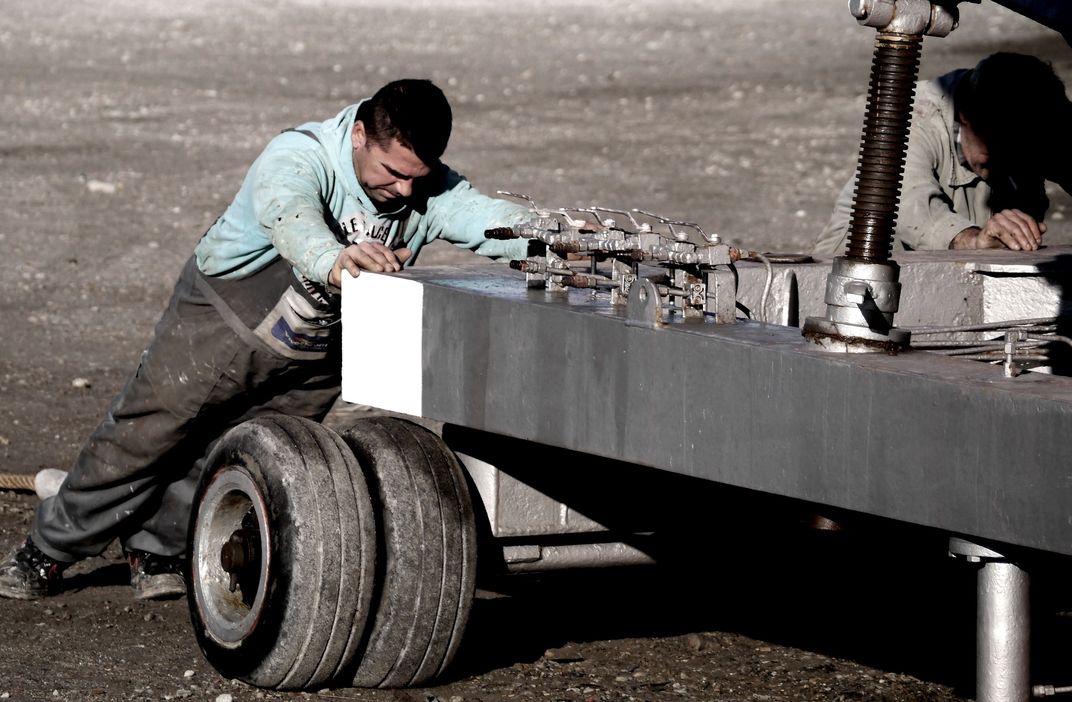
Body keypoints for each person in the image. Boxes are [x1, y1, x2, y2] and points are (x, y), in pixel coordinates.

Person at [0, 79, 533, 600]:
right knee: (147, 434)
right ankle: (49, 550)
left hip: (316, 346)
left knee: (240, 448)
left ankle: (156, 547)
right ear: (359, 136)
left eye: (419, 178)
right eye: (394, 174)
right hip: (224, 317)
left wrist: (561, 242)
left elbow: (486, 219)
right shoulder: (299, 155)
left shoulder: (422, 185)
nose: (407, 191)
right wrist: (334, 261)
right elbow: (291, 214)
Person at [814, 52, 1072, 255]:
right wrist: (975, 241)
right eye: (1000, 148)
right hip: (864, 268)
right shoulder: (914, 114)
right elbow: (911, 207)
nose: (1013, 159)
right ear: (966, 115)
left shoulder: (1037, 115)